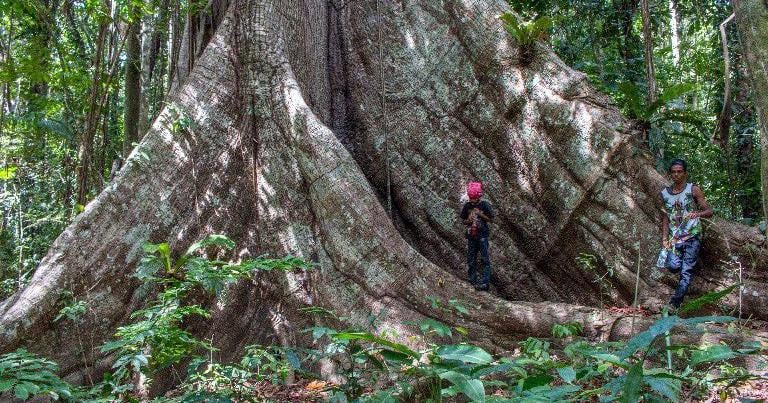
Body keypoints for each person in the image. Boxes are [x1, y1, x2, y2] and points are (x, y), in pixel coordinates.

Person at [659, 158, 713, 309]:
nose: (676, 175)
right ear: (670, 174)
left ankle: (675, 304)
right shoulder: (664, 194)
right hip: (675, 238)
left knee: (686, 272)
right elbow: (665, 217)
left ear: (685, 173)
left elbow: (709, 211)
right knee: (672, 266)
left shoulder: (693, 189)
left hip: (692, 235)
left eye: (679, 172)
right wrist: (664, 238)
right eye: (674, 172)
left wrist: (698, 214)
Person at [460, 182, 494, 291]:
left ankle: (485, 282)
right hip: (471, 237)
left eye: (474, 198)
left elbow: (491, 219)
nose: (472, 200)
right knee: (471, 259)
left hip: (482, 236)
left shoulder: (484, 205)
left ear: (479, 196)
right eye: (470, 198)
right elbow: (463, 220)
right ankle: (472, 280)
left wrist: (480, 214)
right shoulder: (467, 206)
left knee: (485, 259)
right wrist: (468, 220)